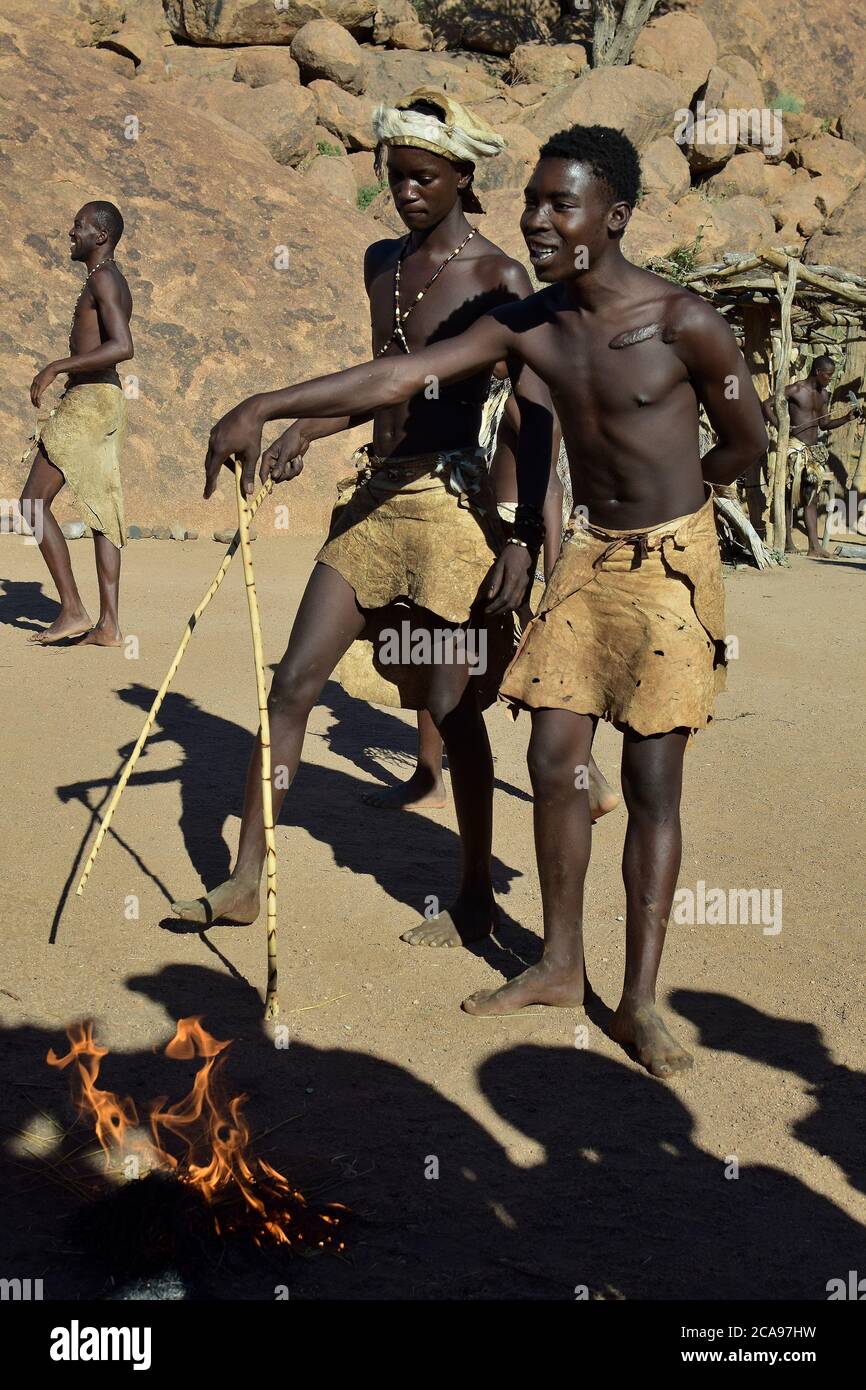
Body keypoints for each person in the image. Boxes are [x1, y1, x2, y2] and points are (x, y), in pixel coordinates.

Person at [202, 124, 769, 1077]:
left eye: (562, 205)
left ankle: (638, 1003)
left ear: (615, 217)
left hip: (670, 561)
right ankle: (555, 962)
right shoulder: (530, 322)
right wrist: (266, 404)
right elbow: (402, 374)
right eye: (533, 202)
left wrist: (677, 503)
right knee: (553, 757)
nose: (539, 220)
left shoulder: (687, 322)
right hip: (590, 557)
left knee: (650, 781)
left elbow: (746, 441)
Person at [173, 89, 562, 948]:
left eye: (425, 177)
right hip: (378, 495)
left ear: (463, 175)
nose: (407, 192)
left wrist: (524, 532)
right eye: (396, 176)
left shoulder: (500, 276)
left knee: (449, 706)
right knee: (292, 683)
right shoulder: (380, 259)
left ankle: (472, 893)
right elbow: (384, 379)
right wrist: (311, 428)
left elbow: (520, 413)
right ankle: (245, 879)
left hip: (452, 504)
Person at [21, 201, 133, 646]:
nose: (72, 232)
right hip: (103, 399)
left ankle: (72, 609)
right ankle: (108, 625)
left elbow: (123, 345)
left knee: (32, 502)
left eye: (80, 226)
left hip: (89, 401)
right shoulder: (105, 278)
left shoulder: (105, 277)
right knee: (104, 511)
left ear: (100, 236)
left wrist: (57, 367)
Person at [760, 354, 861, 556]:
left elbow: (824, 424)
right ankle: (789, 541)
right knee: (791, 496)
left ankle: (813, 546)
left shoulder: (823, 395)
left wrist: (847, 418)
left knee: (810, 497)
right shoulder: (796, 389)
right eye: (828, 375)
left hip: (812, 453)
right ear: (818, 372)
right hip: (795, 449)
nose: (830, 379)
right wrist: (782, 427)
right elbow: (766, 404)